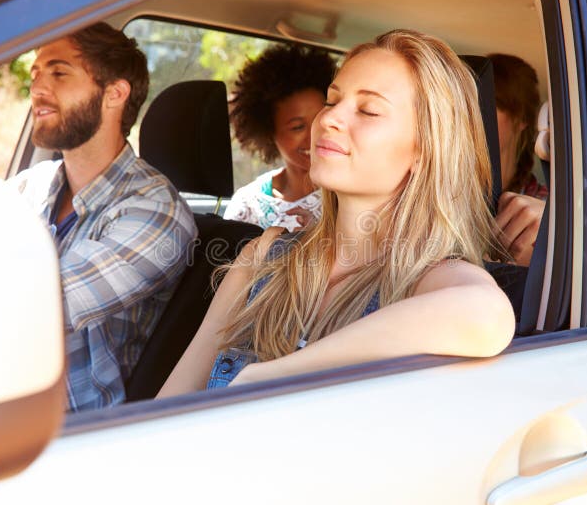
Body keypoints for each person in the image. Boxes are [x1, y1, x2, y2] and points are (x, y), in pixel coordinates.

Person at [157, 29, 514, 396]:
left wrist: (268, 378)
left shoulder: (430, 278)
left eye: (368, 110)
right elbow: (167, 408)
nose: (327, 119)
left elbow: (488, 317)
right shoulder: (262, 257)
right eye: (332, 101)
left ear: (425, 151)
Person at [10, 23, 197, 411]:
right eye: (36, 74)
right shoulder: (31, 186)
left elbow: (32, 307)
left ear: (114, 94)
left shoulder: (156, 212)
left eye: (59, 73)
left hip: (71, 435)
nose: (38, 89)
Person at [222, 44, 336, 231]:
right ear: (268, 132)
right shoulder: (249, 205)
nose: (314, 135)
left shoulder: (354, 196)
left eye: (320, 118)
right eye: (297, 127)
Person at [488, 53, 547, 267]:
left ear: (521, 119)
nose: (472, 113)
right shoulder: (436, 190)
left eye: (489, 103)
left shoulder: (549, 209)